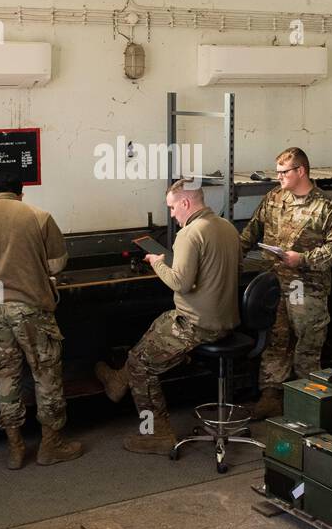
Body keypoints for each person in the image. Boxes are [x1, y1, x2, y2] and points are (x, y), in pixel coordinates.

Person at [96, 179, 242, 455]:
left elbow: (180, 284)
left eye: (173, 208)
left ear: (186, 203)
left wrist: (158, 264)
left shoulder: (189, 234)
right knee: (159, 324)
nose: (172, 214)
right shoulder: (227, 227)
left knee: (141, 365)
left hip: (197, 325)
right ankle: (118, 380)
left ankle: (158, 433)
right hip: (224, 321)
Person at [0, 166, 83, 470]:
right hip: (31, 308)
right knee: (45, 374)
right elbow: (56, 263)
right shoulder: (39, 217)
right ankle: (51, 445)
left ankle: (15, 447)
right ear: (21, 192)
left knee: (5, 378)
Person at [240, 147, 332, 420]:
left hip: (306, 287)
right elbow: (251, 231)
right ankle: (271, 396)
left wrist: (303, 259)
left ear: (301, 171)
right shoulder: (274, 198)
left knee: (307, 345)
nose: (278, 177)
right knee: (275, 340)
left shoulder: (326, 207)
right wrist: (229, 255)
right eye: (276, 172)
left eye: (283, 172)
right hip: (274, 283)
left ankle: (309, 404)